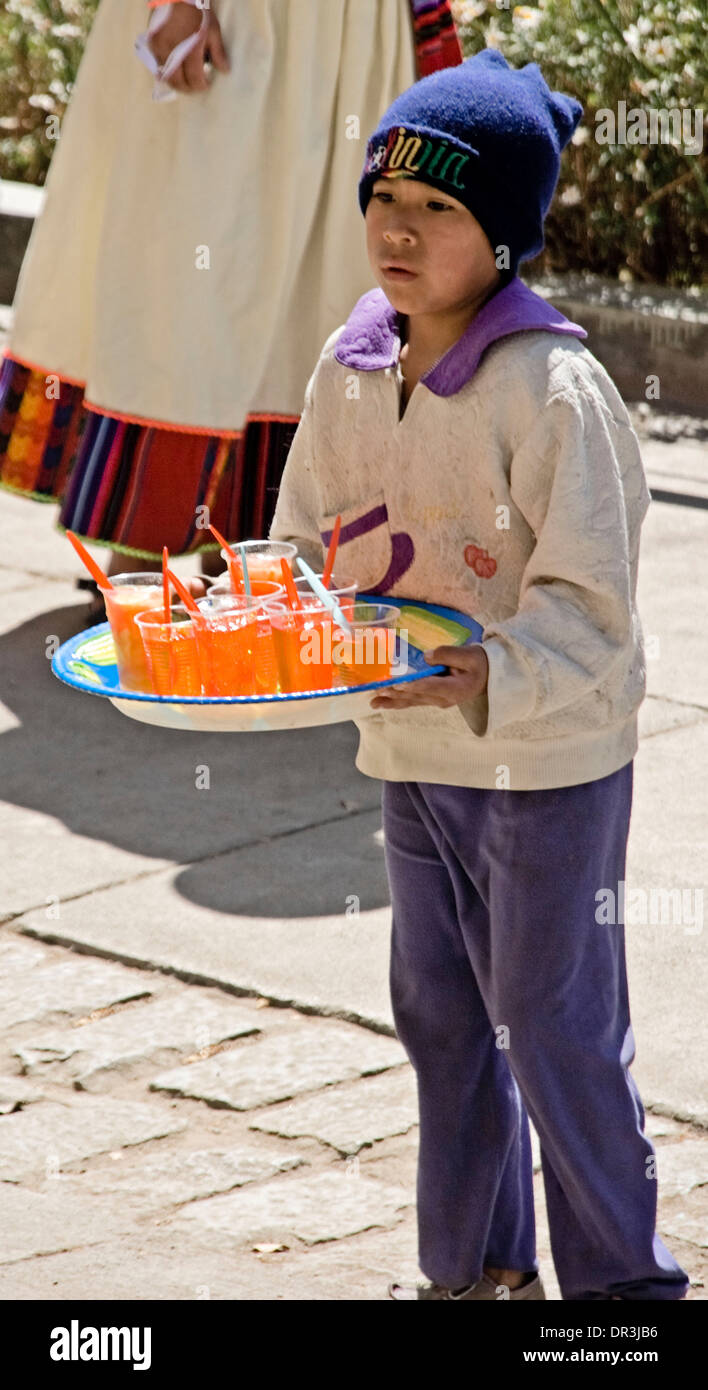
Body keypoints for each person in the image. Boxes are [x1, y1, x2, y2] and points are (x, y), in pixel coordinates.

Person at [268, 49, 690, 1301]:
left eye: (441, 207)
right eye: (383, 195)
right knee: (446, 1023)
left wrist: (485, 667)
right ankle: (476, 1275)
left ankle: (624, 1297)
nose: (398, 226)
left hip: (545, 765)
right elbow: (303, 543)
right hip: (411, 757)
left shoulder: (557, 391)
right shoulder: (345, 371)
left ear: (503, 238)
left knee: (555, 1032)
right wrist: (263, 609)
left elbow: (596, 613)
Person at [0, 0, 461, 623]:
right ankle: (143, 547)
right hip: (246, 19)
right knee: (190, 266)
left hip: (353, 26)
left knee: (312, 280)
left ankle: (249, 551)